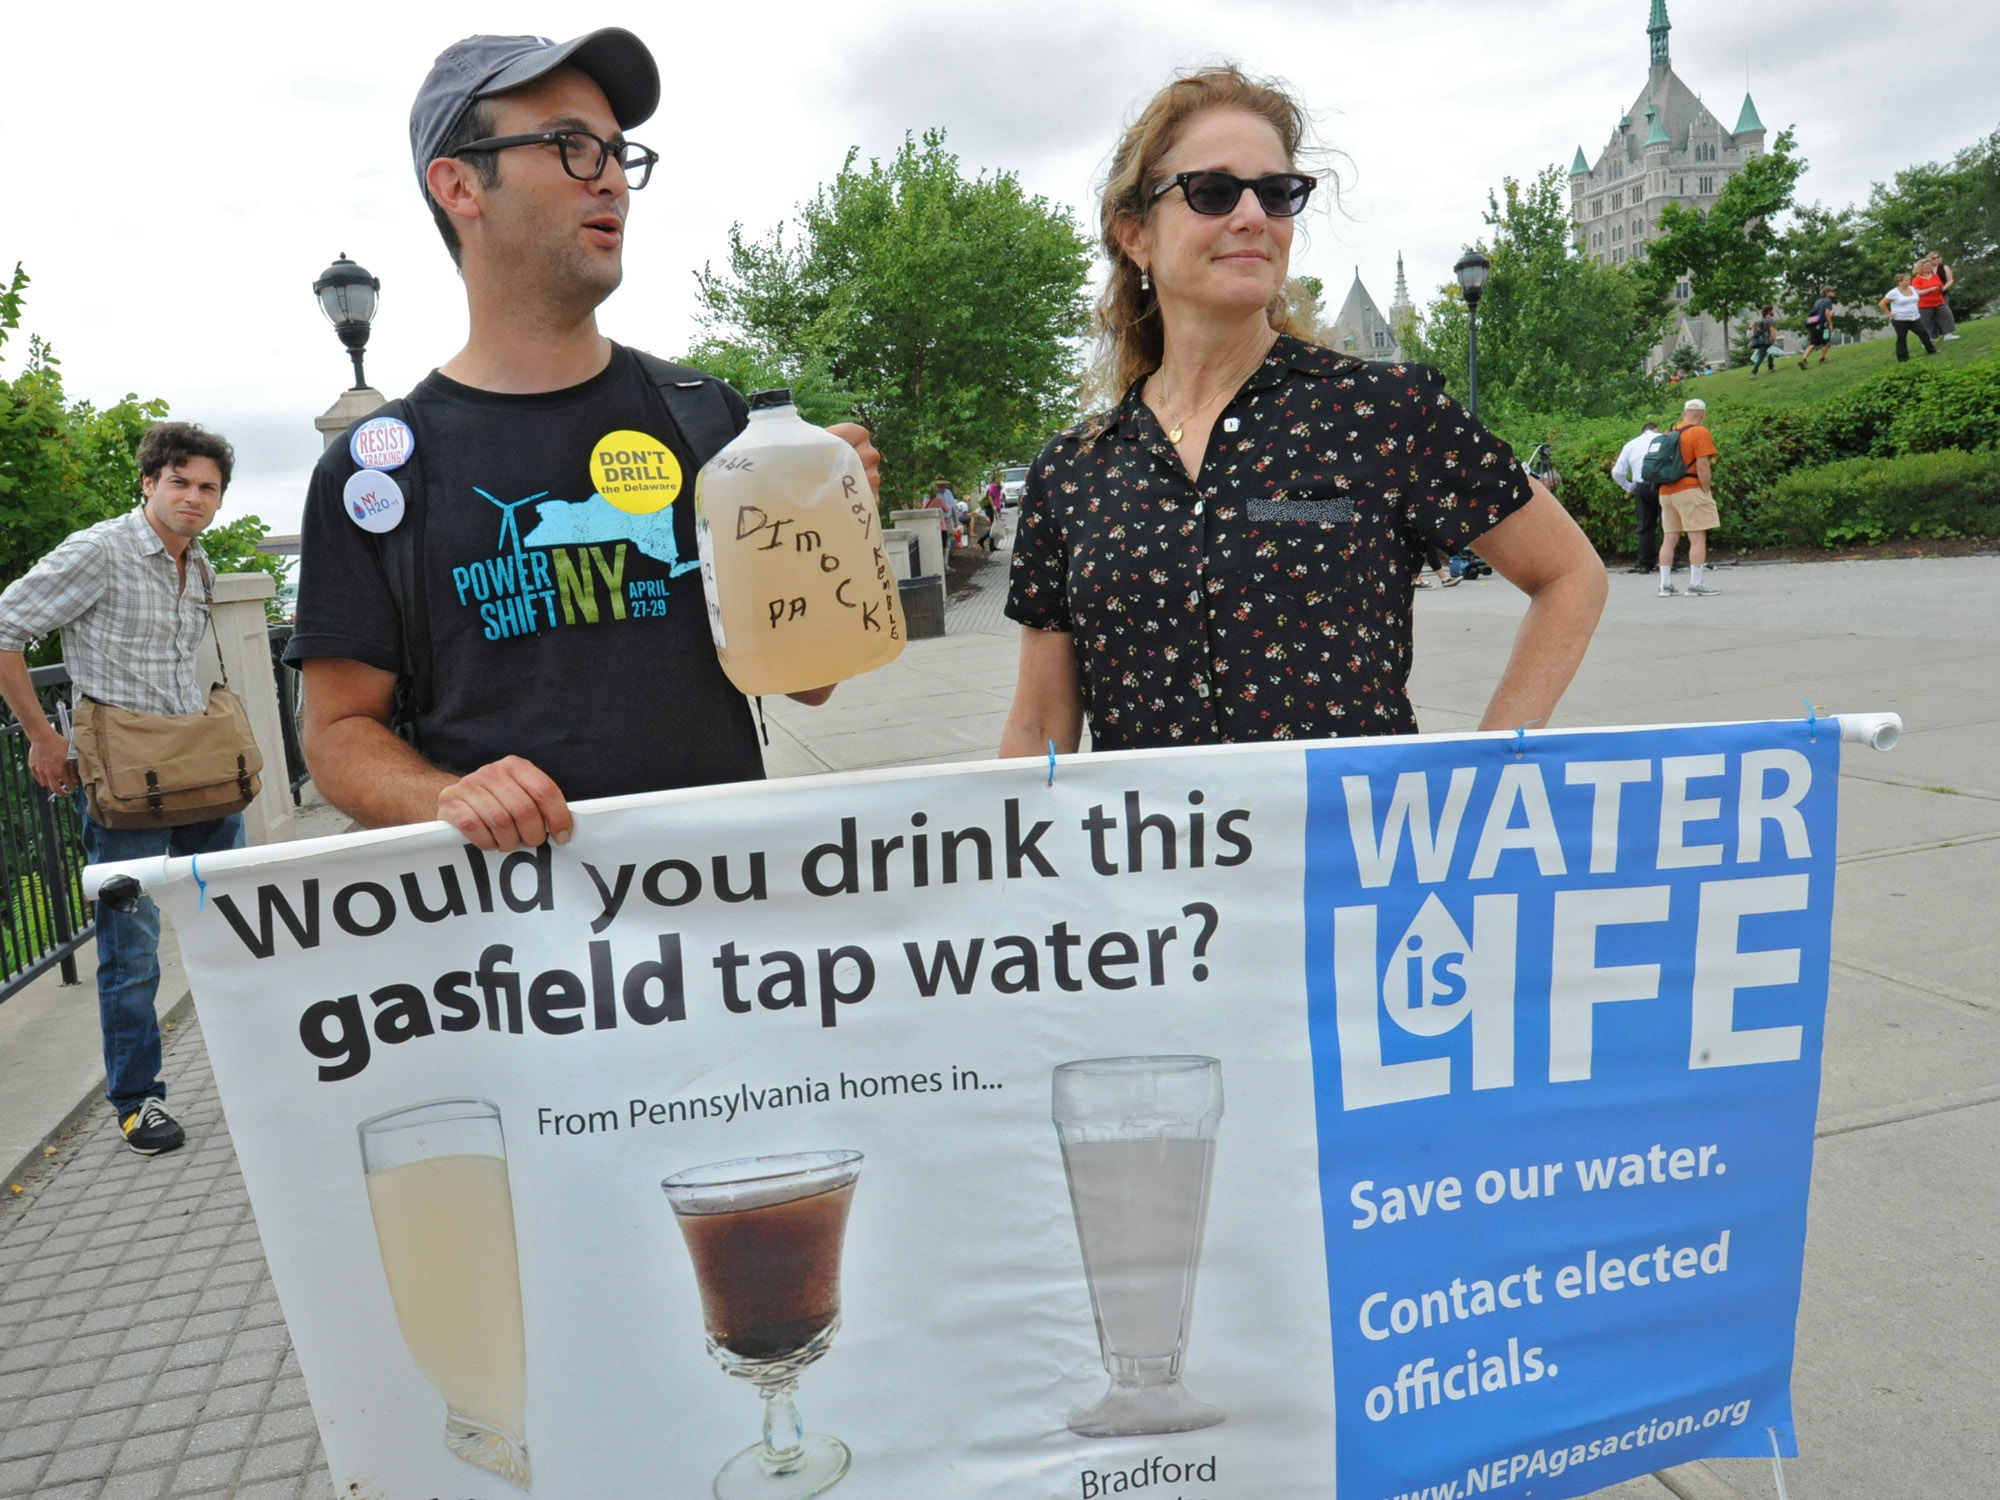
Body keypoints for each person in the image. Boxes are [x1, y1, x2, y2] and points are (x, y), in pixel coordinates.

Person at [287, 31, 880, 854]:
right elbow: (336, 733)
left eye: (616, 150)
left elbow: (809, 681)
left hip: (728, 928)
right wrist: (446, 795)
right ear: (460, 184)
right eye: (568, 145)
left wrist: (830, 536)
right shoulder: (375, 469)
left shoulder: (707, 419)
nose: (609, 177)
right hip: (513, 958)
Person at [999, 67, 1605, 754]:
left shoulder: (1382, 413)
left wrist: (1484, 772)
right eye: (1214, 191)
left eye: (1278, 193)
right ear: (1135, 235)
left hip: (1353, 854)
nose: (1253, 216)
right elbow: (1038, 725)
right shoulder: (1074, 472)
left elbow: (1569, 574)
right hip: (1157, 859)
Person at [0, 423, 246, 1156]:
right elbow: (5, 628)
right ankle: (139, 1102)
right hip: (125, 788)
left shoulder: (196, 562)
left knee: (234, 927)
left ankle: (255, 1072)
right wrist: (46, 737)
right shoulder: (100, 551)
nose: (194, 497)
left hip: (198, 774)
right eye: (180, 482)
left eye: (208, 487)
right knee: (131, 949)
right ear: (148, 483)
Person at [1655, 399, 1720, 598]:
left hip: (1666, 491)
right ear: (1703, 415)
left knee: (1669, 537)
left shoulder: (1669, 433)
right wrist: (1706, 490)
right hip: (1690, 488)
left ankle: (1665, 585)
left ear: (1684, 414)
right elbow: (1702, 465)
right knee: (1697, 536)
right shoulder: (1700, 432)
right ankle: (1696, 583)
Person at [1609, 420, 1663, 574]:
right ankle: (1667, 560)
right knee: (1669, 525)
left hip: (1642, 486)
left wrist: (1629, 486)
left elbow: (1617, 472)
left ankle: (1646, 563)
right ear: (1656, 429)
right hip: (1662, 484)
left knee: (1645, 526)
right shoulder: (1663, 440)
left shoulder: (1631, 445)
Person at [1879, 272, 1936, 362]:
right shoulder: (1893, 292)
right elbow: (1882, 304)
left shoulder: (1912, 289)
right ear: (1900, 282)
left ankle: (1931, 350)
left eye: (1909, 280)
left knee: (1923, 332)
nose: (1909, 282)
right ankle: (1903, 358)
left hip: (1914, 317)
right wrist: (1889, 313)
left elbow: (1917, 297)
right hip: (1900, 319)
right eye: (1906, 280)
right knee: (1902, 338)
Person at [1913, 254, 1956, 345]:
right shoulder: (1916, 279)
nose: (1929, 267)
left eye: (1929, 266)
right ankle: (1926, 340)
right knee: (1925, 322)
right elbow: (1917, 292)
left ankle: (1948, 335)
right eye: (1926, 266)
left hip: (1939, 301)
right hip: (1925, 304)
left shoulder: (1934, 276)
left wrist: (1940, 288)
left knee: (1946, 315)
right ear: (1920, 268)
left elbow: (1940, 284)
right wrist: (1929, 289)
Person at [1799, 287, 1836, 368]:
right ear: (1827, 292)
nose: (1834, 292)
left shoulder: (1818, 301)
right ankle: (1822, 359)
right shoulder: (1828, 301)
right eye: (1832, 291)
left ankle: (1804, 359)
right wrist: (1830, 324)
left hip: (1813, 325)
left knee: (1813, 343)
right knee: (1826, 341)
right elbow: (1827, 313)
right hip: (1823, 325)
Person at [1746, 306, 1778, 377]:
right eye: (1772, 310)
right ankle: (1753, 373)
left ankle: (1771, 367)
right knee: (1761, 357)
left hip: (1761, 340)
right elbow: (1772, 331)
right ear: (1769, 311)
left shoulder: (1762, 320)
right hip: (1766, 341)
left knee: (1771, 353)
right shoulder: (1770, 320)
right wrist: (1775, 340)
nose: (1773, 311)